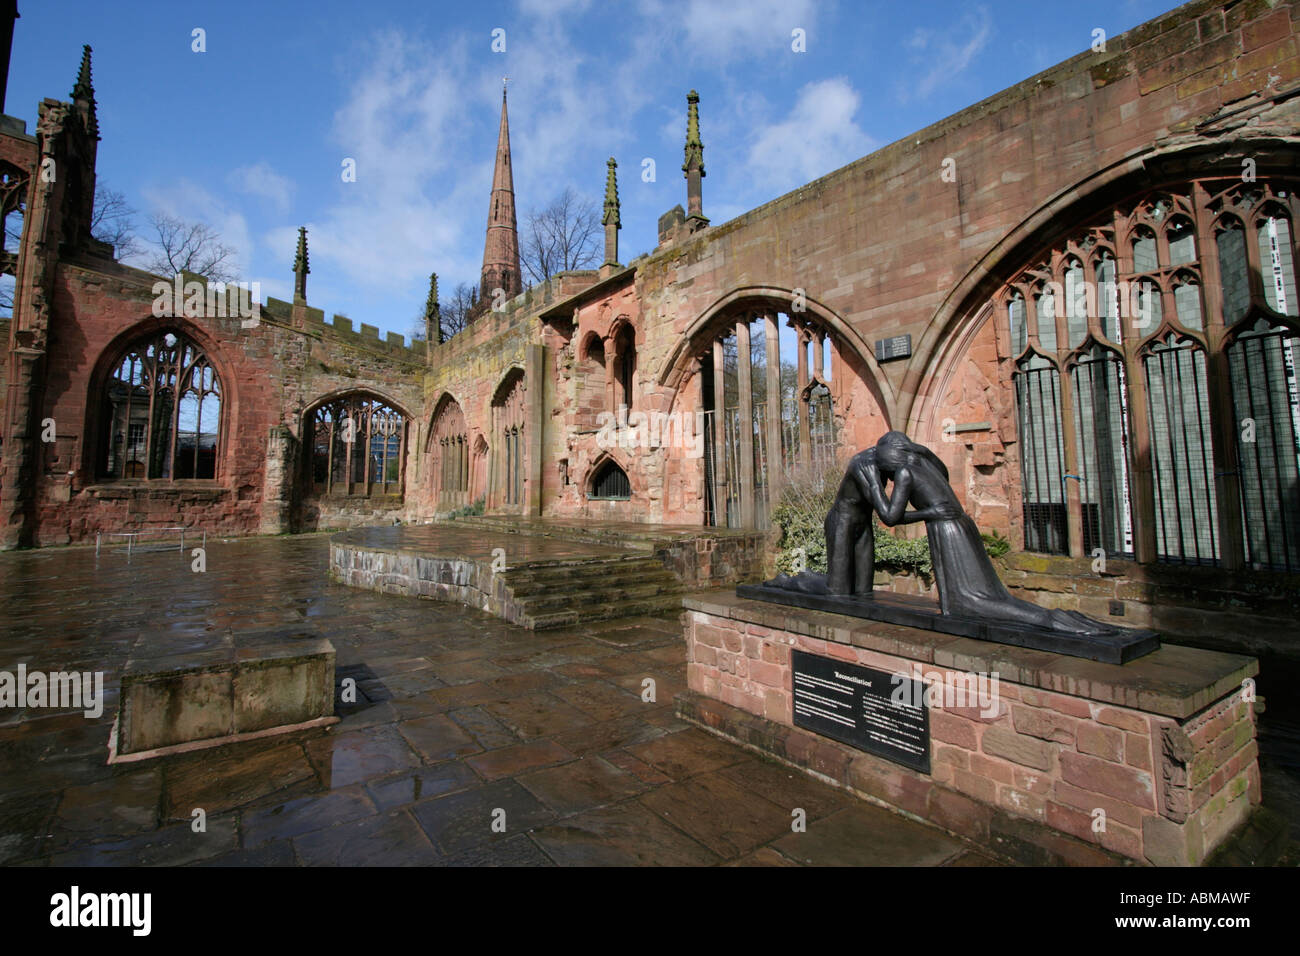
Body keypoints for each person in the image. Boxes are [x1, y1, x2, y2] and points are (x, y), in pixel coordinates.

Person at [860, 431, 1119, 636]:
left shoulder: (905, 472)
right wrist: (923, 458)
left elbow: (890, 518)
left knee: (972, 601)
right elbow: (945, 476)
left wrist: (874, 484)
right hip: (961, 525)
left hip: (948, 531)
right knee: (977, 598)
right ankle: (1050, 617)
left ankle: (1049, 619)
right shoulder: (924, 462)